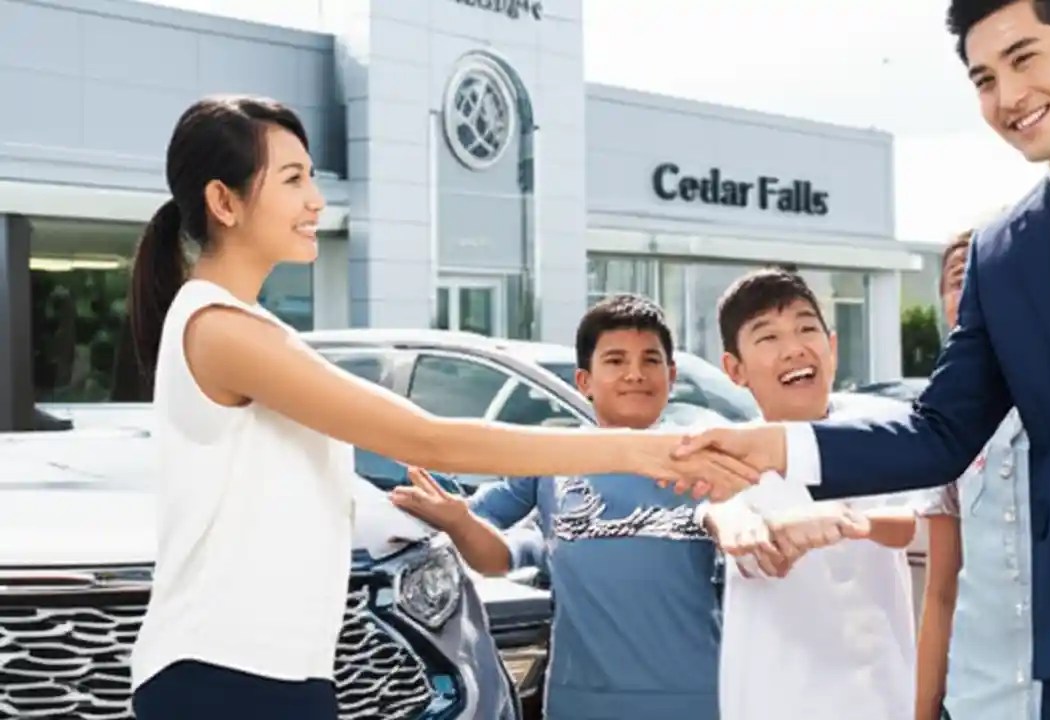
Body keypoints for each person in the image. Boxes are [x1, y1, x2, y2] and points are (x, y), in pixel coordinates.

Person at [676, 1, 1050, 718]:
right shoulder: (1002, 251)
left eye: (1025, 59)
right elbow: (940, 434)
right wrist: (775, 445)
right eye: (984, 79)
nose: (1008, 98)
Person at [125, 96, 753, 720]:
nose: (316, 199)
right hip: (222, 676)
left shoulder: (249, 327)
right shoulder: (220, 329)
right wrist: (631, 448)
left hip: (272, 672)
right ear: (224, 201)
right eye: (292, 179)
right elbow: (427, 439)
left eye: (312, 176)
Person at [391, 294, 723, 720]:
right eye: (616, 360)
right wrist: (456, 520)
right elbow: (495, 552)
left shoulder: (701, 457)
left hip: (696, 698)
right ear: (584, 381)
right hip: (580, 701)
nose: (635, 374)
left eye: (651, 360)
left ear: (671, 375)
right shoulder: (554, 458)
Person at [697, 268, 923, 720]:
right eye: (768, 337)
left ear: (832, 347)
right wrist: (742, 526)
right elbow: (723, 516)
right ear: (734, 369)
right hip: (775, 701)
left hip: (883, 696)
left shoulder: (880, 434)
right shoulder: (728, 453)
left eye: (806, 328)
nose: (794, 348)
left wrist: (844, 523)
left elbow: (923, 528)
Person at [914, 230, 1040, 720]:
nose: (973, 293)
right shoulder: (941, 424)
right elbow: (941, 591)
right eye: (959, 281)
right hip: (976, 700)